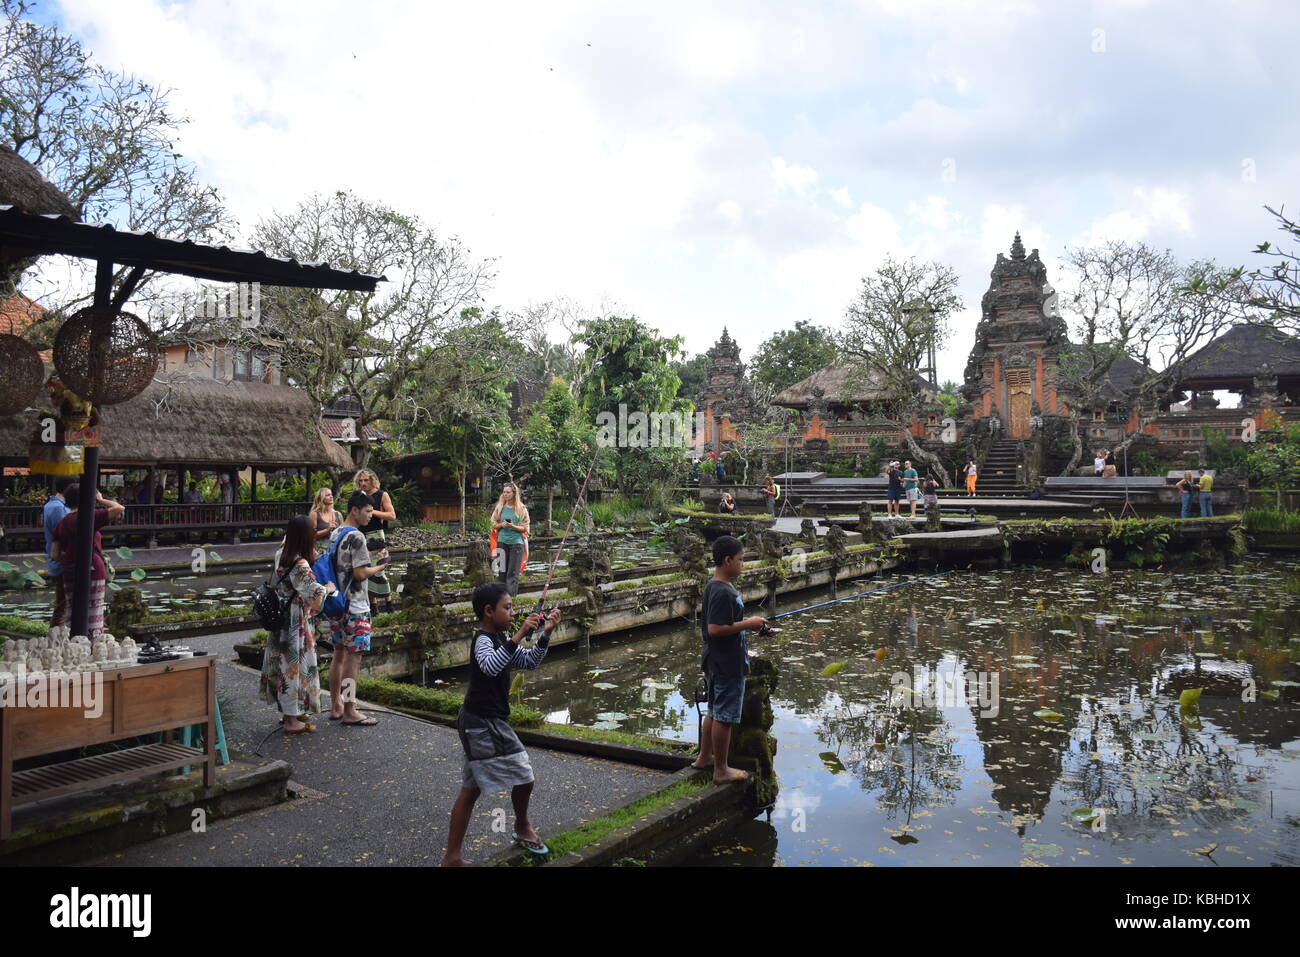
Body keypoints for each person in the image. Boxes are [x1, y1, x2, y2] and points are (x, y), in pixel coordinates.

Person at [442, 582, 560, 865]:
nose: (512, 613)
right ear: (487, 611)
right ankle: (522, 827)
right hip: (482, 722)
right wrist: (520, 633)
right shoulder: (483, 639)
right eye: (506, 608)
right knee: (524, 773)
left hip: (483, 721)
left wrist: (545, 634)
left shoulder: (502, 639)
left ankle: (451, 858)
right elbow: (491, 665)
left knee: (470, 790)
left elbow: (529, 661)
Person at [691, 535, 764, 785]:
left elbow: (726, 624)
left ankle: (705, 757)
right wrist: (750, 623)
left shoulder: (715, 586)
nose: (743, 564)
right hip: (727, 662)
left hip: (717, 659)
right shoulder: (722, 592)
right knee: (725, 716)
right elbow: (715, 628)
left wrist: (750, 626)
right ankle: (721, 769)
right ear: (727, 560)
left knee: (714, 710)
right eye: (741, 560)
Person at [260, 515, 331, 735]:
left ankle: (291, 711)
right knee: (294, 666)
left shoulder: (281, 553)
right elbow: (314, 593)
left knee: (283, 665)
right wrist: (328, 588)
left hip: (281, 616)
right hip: (295, 620)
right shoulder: (300, 564)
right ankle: (291, 721)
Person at [326, 490, 390, 725]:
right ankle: (351, 709)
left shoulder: (336, 533)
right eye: (367, 511)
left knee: (339, 653)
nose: (370, 515)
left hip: (336, 602)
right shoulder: (358, 537)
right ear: (355, 510)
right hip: (355, 604)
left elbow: (343, 563)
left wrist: (368, 557)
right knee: (354, 657)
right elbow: (360, 573)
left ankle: (336, 705)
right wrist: (379, 567)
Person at [51, 482, 125, 639]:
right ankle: (92, 645)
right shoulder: (88, 517)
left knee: (72, 613)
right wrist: (101, 500)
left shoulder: (61, 524)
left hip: (70, 570)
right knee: (94, 614)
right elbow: (119, 508)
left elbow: (55, 555)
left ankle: (75, 643)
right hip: (93, 568)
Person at [353, 468, 396, 612]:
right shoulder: (358, 496)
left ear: (372, 480)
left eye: (366, 480)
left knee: (380, 568)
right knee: (365, 569)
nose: (363, 483)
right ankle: (373, 606)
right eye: (361, 481)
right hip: (361, 534)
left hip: (377, 534)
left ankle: (389, 602)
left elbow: (391, 515)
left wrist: (372, 512)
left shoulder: (382, 495)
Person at [490, 482, 530, 597]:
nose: (505, 494)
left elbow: (525, 528)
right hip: (502, 542)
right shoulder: (500, 507)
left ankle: (510, 598)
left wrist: (512, 526)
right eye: (504, 492)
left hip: (516, 544)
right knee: (502, 571)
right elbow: (493, 524)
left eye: (508, 492)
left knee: (512, 573)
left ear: (514, 493)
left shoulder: (521, 509)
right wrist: (501, 525)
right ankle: (500, 598)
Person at [42, 479, 72, 626]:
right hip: (62, 561)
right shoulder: (58, 509)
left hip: (59, 560)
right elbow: (64, 535)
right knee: (62, 606)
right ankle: (54, 638)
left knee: (63, 604)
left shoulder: (52, 505)